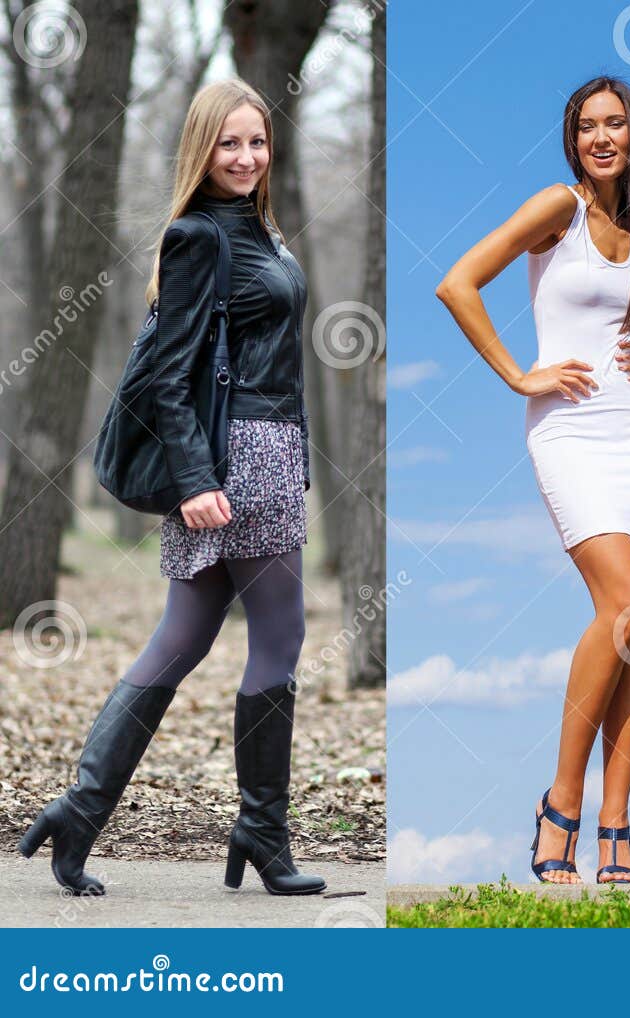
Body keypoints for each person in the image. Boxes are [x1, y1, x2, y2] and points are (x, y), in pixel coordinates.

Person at [19, 79, 324, 897]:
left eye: (257, 142)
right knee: (279, 638)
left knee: (182, 639)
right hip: (237, 463)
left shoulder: (259, 231)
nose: (247, 157)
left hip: (261, 454)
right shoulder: (199, 238)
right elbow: (161, 378)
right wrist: (193, 481)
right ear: (201, 149)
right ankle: (261, 832)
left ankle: (78, 814)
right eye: (229, 143)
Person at [436, 76, 630, 884]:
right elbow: (457, 282)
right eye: (586, 128)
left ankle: (617, 821)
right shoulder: (556, 209)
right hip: (569, 428)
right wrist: (517, 374)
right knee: (625, 605)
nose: (601, 138)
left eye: (614, 125)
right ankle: (560, 803)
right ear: (573, 141)